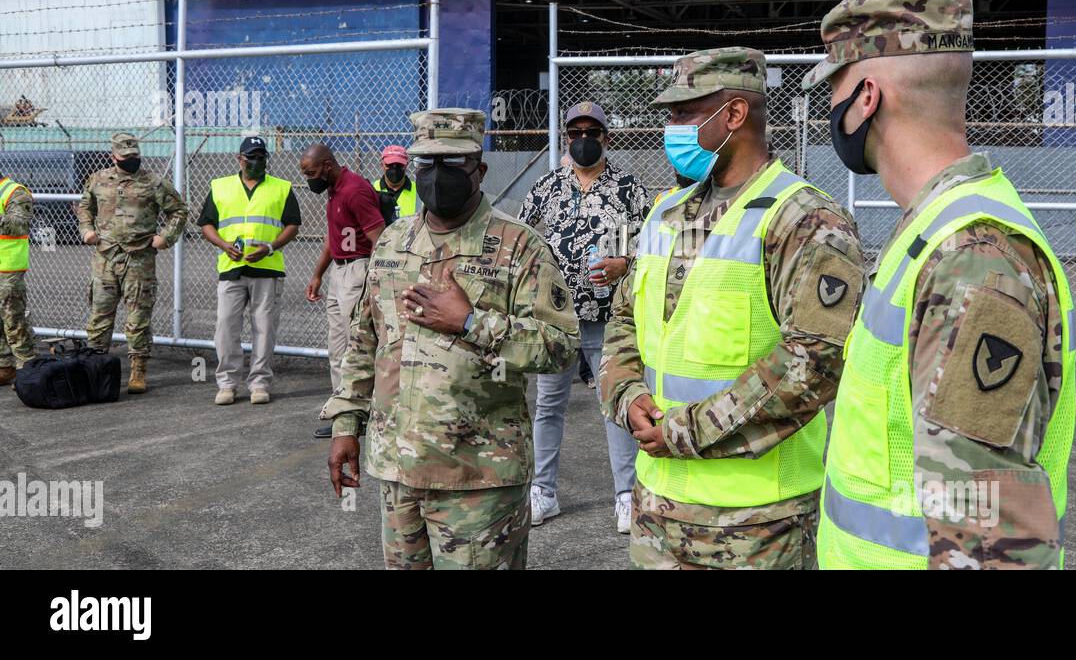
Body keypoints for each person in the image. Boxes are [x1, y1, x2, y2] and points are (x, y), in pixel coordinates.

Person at [805, 0, 1076, 569]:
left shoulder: (971, 257)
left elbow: (988, 543)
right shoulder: (936, 229)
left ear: (867, 97)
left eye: (833, 89)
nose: (827, 108)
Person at [601, 48, 867, 569]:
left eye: (684, 114)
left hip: (757, 524)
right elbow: (624, 319)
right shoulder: (666, 211)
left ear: (735, 115)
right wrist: (626, 394)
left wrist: (683, 430)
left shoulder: (806, 221)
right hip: (658, 512)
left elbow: (813, 365)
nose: (671, 128)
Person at [322, 108, 578, 570]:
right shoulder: (393, 241)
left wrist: (470, 322)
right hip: (399, 472)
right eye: (426, 164)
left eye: (453, 164)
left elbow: (560, 347)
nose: (436, 176)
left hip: (479, 480)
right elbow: (364, 342)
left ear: (479, 170)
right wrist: (345, 425)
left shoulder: (519, 245)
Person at [519, 101, 650, 533]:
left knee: (614, 402)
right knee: (548, 405)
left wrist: (624, 263)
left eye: (592, 132)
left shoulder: (628, 189)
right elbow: (519, 235)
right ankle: (544, 492)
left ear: (606, 138)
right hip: (556, 316)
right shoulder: (548, 186)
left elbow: (653, 244)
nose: (583, 140)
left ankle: (626, 496)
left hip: (606, 316)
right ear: (566, 139)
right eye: (575, 133)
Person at [77, 132, 188, 393]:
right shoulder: (98, 180)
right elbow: (84, 206)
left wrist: (166, 238)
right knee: (99, 317)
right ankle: (96, 367)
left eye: (135, 156)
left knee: (138, 319)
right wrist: (86, 230)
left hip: (139, 260)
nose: (131, 161)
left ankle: (138, 371)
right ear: (113, 156)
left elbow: (179, 211)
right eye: (126, 157)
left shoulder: (153, 182)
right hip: (105, 259)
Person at [197, 136, 301, 405]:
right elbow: (207, 223)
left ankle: (259, 383)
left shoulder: (281, 188)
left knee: (264, 329)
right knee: (226, 327)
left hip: (266, 268)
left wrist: (270, 246)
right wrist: (223, 245)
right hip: (231, 267)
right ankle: (227, 384)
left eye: (261, 157)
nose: (256, 162)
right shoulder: (220, 187)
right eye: (251, 157)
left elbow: (292, 225)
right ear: (239, 159)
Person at [300, 143, 386, 438]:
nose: (309, 179)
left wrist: (373, 281)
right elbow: (332, 237)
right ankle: (344, 413)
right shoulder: (335, 191)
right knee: (338, 349)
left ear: (327, 165)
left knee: (358, 345)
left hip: (358, 269)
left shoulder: (354, 189)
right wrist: (317, 274)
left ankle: (369, 413)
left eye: (311, 172)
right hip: (339, 270)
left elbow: (379, 238)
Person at [0, 172, 36, 385]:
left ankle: (27, 367)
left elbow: (19, 225)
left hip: (8, 268)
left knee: (13, 319)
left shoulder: (15, 191)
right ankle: (5, 365)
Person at [374, 144, 416, 222]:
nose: (394, 169)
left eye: (399, 165)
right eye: (389, 165)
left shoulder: (419, 191)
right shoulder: (372, 189)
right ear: (382, 165)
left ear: (406, 165)